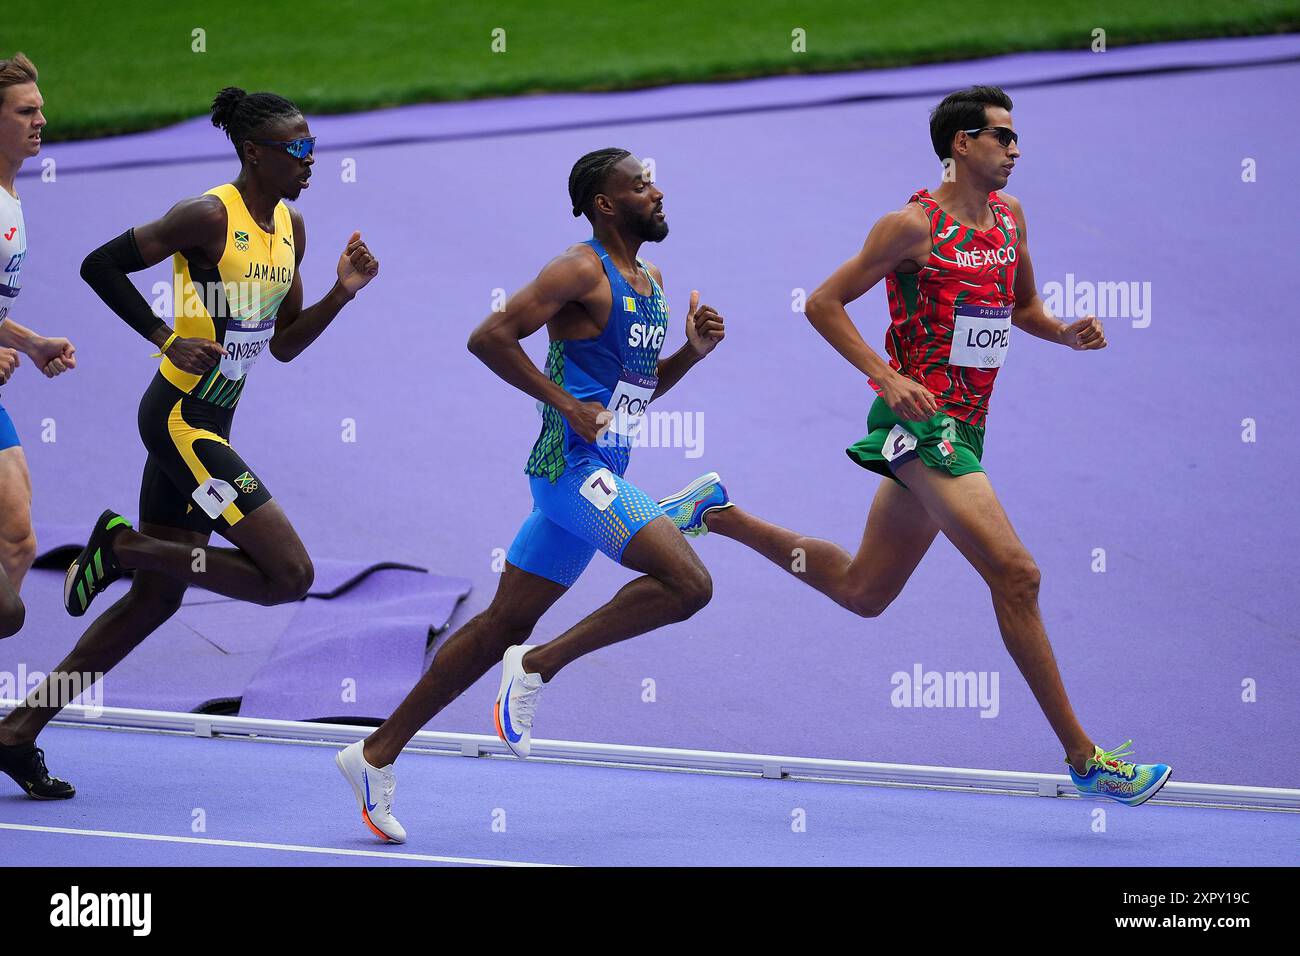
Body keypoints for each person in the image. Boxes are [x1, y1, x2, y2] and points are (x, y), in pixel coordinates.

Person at [658, 86, 1171, 807]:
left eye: (1017, 138)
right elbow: (822, 302)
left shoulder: (1010, 219)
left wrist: (1061, 331)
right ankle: (1085, 759)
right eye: (1002, 137)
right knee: (1017, 576)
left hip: (971, 426)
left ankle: (717, 513)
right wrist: (886, 375)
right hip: (924, 428)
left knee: (864, 591)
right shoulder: (909, 227)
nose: (1016, 150)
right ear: (962, 144)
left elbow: (1021, 306)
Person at [335, 148, 724, 843]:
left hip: (604, 467)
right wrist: (565, 407)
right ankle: (540, 664)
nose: (657, 191)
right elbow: (488, 337)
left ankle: (373, 753)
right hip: (570, 470)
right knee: (689, 584)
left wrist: (689, 354)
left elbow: (630, 397)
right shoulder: (579, 269)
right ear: (606, 203)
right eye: (640, 186)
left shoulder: (651, 280)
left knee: (499, 624)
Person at [0, 87, 380, 799]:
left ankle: (17, 731)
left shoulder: (291, 226)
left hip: (214, 422)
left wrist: (342, 292)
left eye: (313, 147)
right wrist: (166, 336)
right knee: (289, 576)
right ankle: (123, 546)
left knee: (156, 601)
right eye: (296, 149)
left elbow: (287, 344)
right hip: (181, 420)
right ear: (253, 153)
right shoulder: (207, 216)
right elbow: (100, 264)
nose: (310, 160)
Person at [0, 52, 78, 639]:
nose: (40, 121)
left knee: (18, 544)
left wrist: (29, 341)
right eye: (26, 111)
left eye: (42, 109)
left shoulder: (10, 198)